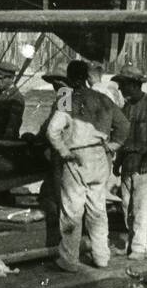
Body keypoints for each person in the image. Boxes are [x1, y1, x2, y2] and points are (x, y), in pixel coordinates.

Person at [44, 60, 130, 272]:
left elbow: (52, 130)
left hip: (76, 156)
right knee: (98, 209)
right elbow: (124, 125)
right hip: (99, 155)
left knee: (72, 209)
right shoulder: (102, 98)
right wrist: (113, 145)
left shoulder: (66, 98)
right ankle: (101, 257)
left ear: (70, 79)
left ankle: (69, 259)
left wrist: (64, 152)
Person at [112, 64, 147, 259]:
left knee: (141, 206)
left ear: (134, 85)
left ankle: (139, 248)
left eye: (123, 85)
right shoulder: (125, 108)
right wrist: (118, 162)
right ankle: (130, 243)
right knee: (126, 205)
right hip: (128, 161)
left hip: (146, 162)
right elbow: (121, 136)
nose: (120, 89)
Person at [36, 71, 69, 249]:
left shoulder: (66, 96)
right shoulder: (64, 97)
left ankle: (62, 238)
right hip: (63, 151)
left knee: (60, 194)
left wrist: (43, 138)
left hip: (61, 152)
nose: (55, 87)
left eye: (57, 83)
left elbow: (55, 127)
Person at [0, 60, 26, 139]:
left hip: (5, 144)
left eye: (1, 78)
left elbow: (12, 127)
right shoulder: (0, 94)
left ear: (12, 78)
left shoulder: (16, 98)